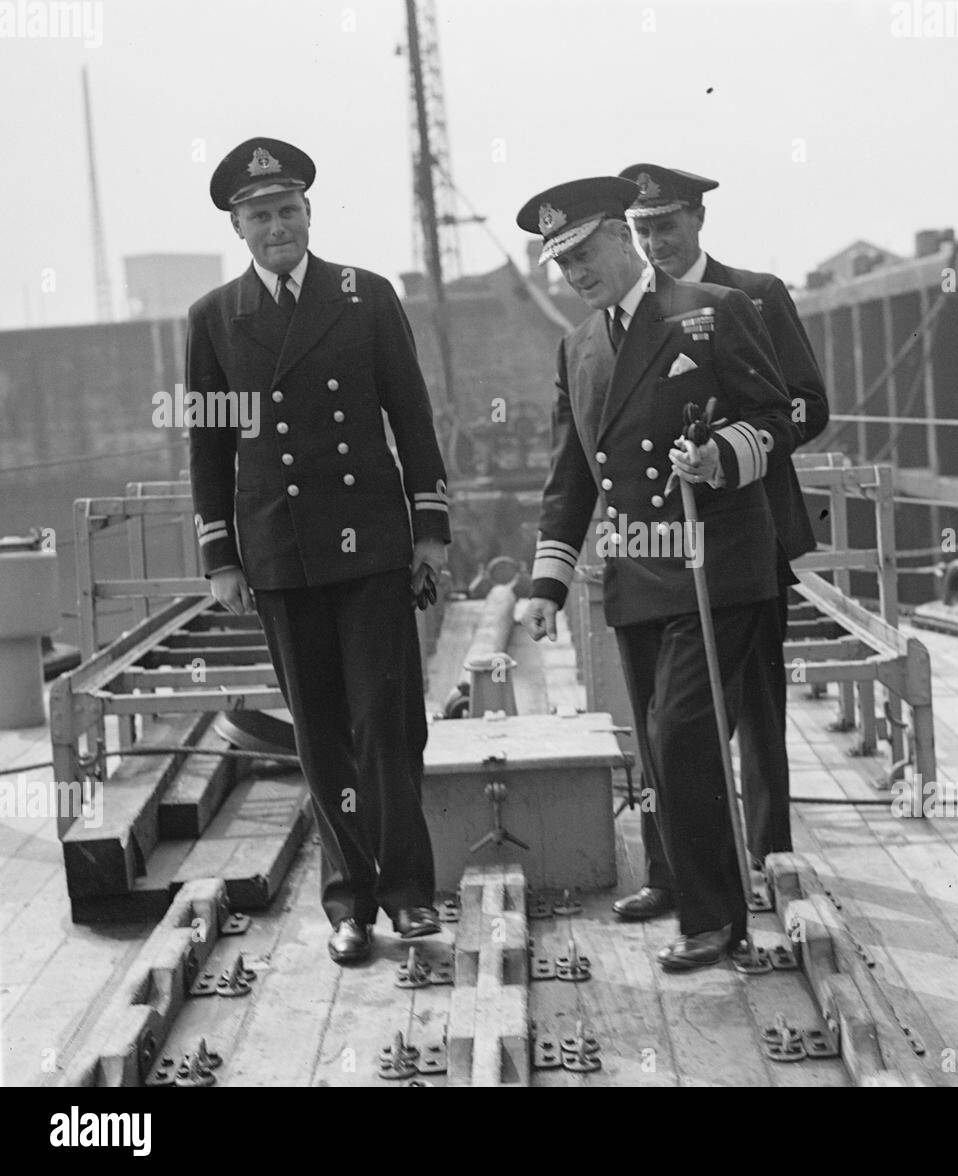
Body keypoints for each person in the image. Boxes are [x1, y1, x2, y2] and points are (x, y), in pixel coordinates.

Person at [516, 176, 797, 970]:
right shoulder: (578, 348)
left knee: (683, 737)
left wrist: (720, 457)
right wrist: (548, 581)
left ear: (619, 236)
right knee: (654, 740)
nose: (574, 274)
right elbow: (571, 473)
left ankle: (716, 919)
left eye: (581, 253)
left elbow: (776, 417)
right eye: (559, 264)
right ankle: (675, 880)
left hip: (718, 568)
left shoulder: (712, 311)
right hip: (637, 575)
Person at [187, 137, 452, 965]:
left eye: (289, 211)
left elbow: (411, 416)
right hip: (281, 554)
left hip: (371, 545)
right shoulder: (214, 319)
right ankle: (349, 902)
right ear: (239, 227)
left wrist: (432, 531)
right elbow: (208, 447)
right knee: (319, 733)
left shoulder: (364, 294)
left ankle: (409, 892)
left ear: (308, 212)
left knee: (389, 723)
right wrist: (221, 554)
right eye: (261, 216)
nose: (278, 227)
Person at [609, 163, 828, 924]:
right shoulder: (632, 315)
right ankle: (673, 867)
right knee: (670, 721)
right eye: (641, 230)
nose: (656, 242)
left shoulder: (754, 296)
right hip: (663, 546)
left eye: (667, 225)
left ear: (698, 220)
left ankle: (767, 856)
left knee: (758, 705)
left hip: (750, 529)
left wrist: (731, 451)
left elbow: (804, 404)